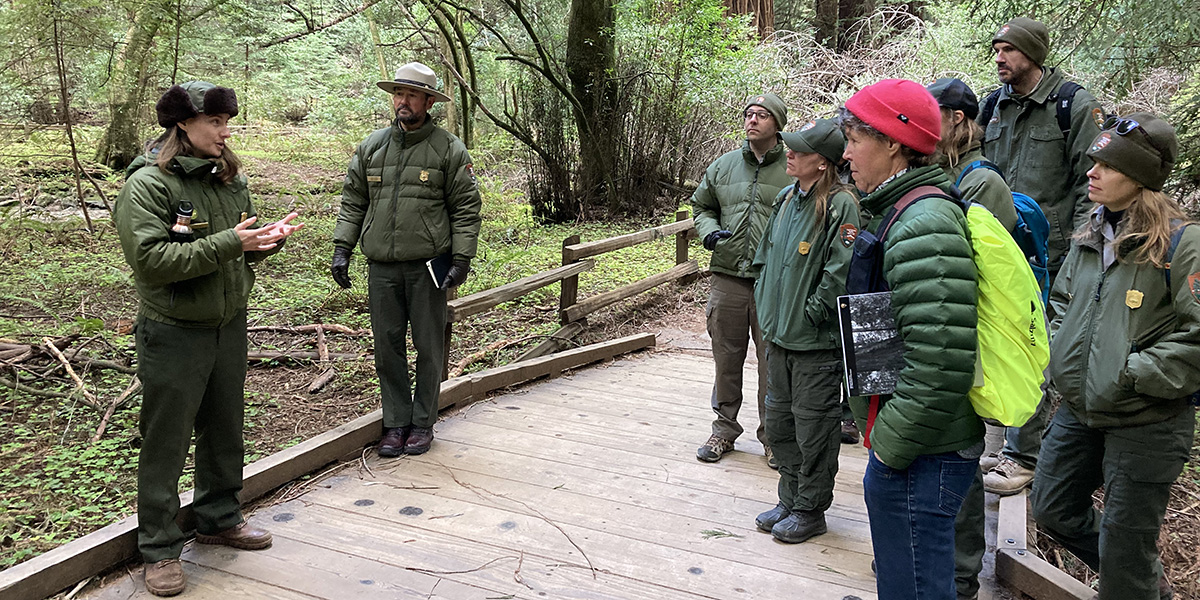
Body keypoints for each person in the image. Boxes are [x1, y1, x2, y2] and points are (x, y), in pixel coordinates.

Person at [114, 81, 303, 597]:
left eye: (226, 122)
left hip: (228, 324)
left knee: (225, 427)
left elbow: (235, 249)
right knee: (166, 440)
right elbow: (152, 262)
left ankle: (219, 518)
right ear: (183, 126)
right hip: (174, 331)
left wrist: (261, 244)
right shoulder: (149, 185)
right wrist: (230, 242)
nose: (225, 132)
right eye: (215, 123)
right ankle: (159, 547)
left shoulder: (227, 178)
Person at [1032, 113, 1197, 600]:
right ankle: (1140, 584)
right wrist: (1062, 350)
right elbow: (1062, 301)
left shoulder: (1183, 245)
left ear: (1141, 178)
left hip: (1147, 418)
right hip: (1081, 410)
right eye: (1094, 162)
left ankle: (1131, 581)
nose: (1091, 172)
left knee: (1127, 546)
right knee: (1052, 509)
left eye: (1107, 165)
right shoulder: (1092, 232)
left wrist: (1132, 372)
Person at [839, 79, 983, 600]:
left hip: (925, 449)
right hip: (913, 440)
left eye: (855, 137)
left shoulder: (925, 223)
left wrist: (889, 449)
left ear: (894, 143)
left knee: (916, 589)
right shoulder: (898, 211)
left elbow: (941, 361)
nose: (846, 150)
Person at [977, 16, 1106, 495]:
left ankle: (1021, 454)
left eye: (1008, 50)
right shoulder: (993, 106)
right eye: (996, 49)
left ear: (1032, 53)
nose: (999, 58)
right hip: (996, 247)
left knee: (1037, 346)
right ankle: (995, 434)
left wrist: (1081, 248)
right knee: (996, 338)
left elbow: (1091, 183)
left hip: (1049, 254)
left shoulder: (1072, 105)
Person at [332, 62, 482, 458]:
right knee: (387, 346)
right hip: (381, 266)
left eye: (411, 95)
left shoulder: (449, 149)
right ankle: (395, 422)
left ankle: (422, 423)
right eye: (398, 94)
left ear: (429, 101)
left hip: (427, 267)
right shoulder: (372, 147)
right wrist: (342, 248)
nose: (402, 101)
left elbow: (466, 209)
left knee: (429, 346)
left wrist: (462, 258)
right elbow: (353, 203)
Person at [928, 76, 1016, 600]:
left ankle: (960, 572)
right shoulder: (944, 171)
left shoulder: (982, 183)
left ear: (956, 119)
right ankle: (933, 556)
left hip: (968, 336)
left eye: (930, 114)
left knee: (959, 449)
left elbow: (982, 270)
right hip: (943, 328)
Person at [751, 118, 860, 543]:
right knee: (779, 424)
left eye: (800, 149)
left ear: (824, 163)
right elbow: (764, 259)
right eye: (790, 147)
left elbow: (839, 272)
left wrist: (812, 314)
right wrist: (766, 308)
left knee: (813, 429)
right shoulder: (784, 198)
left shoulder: (840, 205)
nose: (789, 153)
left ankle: (811, 509)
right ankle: (789, 499)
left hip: (815, 344)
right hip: (777, 338)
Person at [691, 93, 791, 466]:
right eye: (749, 114)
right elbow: (702, 205)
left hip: (773, 280)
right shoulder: (724, 166)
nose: (752, 121)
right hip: (728, 276)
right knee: (726, 358)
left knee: (772, 362)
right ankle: (723, 431)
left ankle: (773, 437)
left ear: (777, 123)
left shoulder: (794, 166)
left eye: (762, 115)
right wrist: (709, 232)